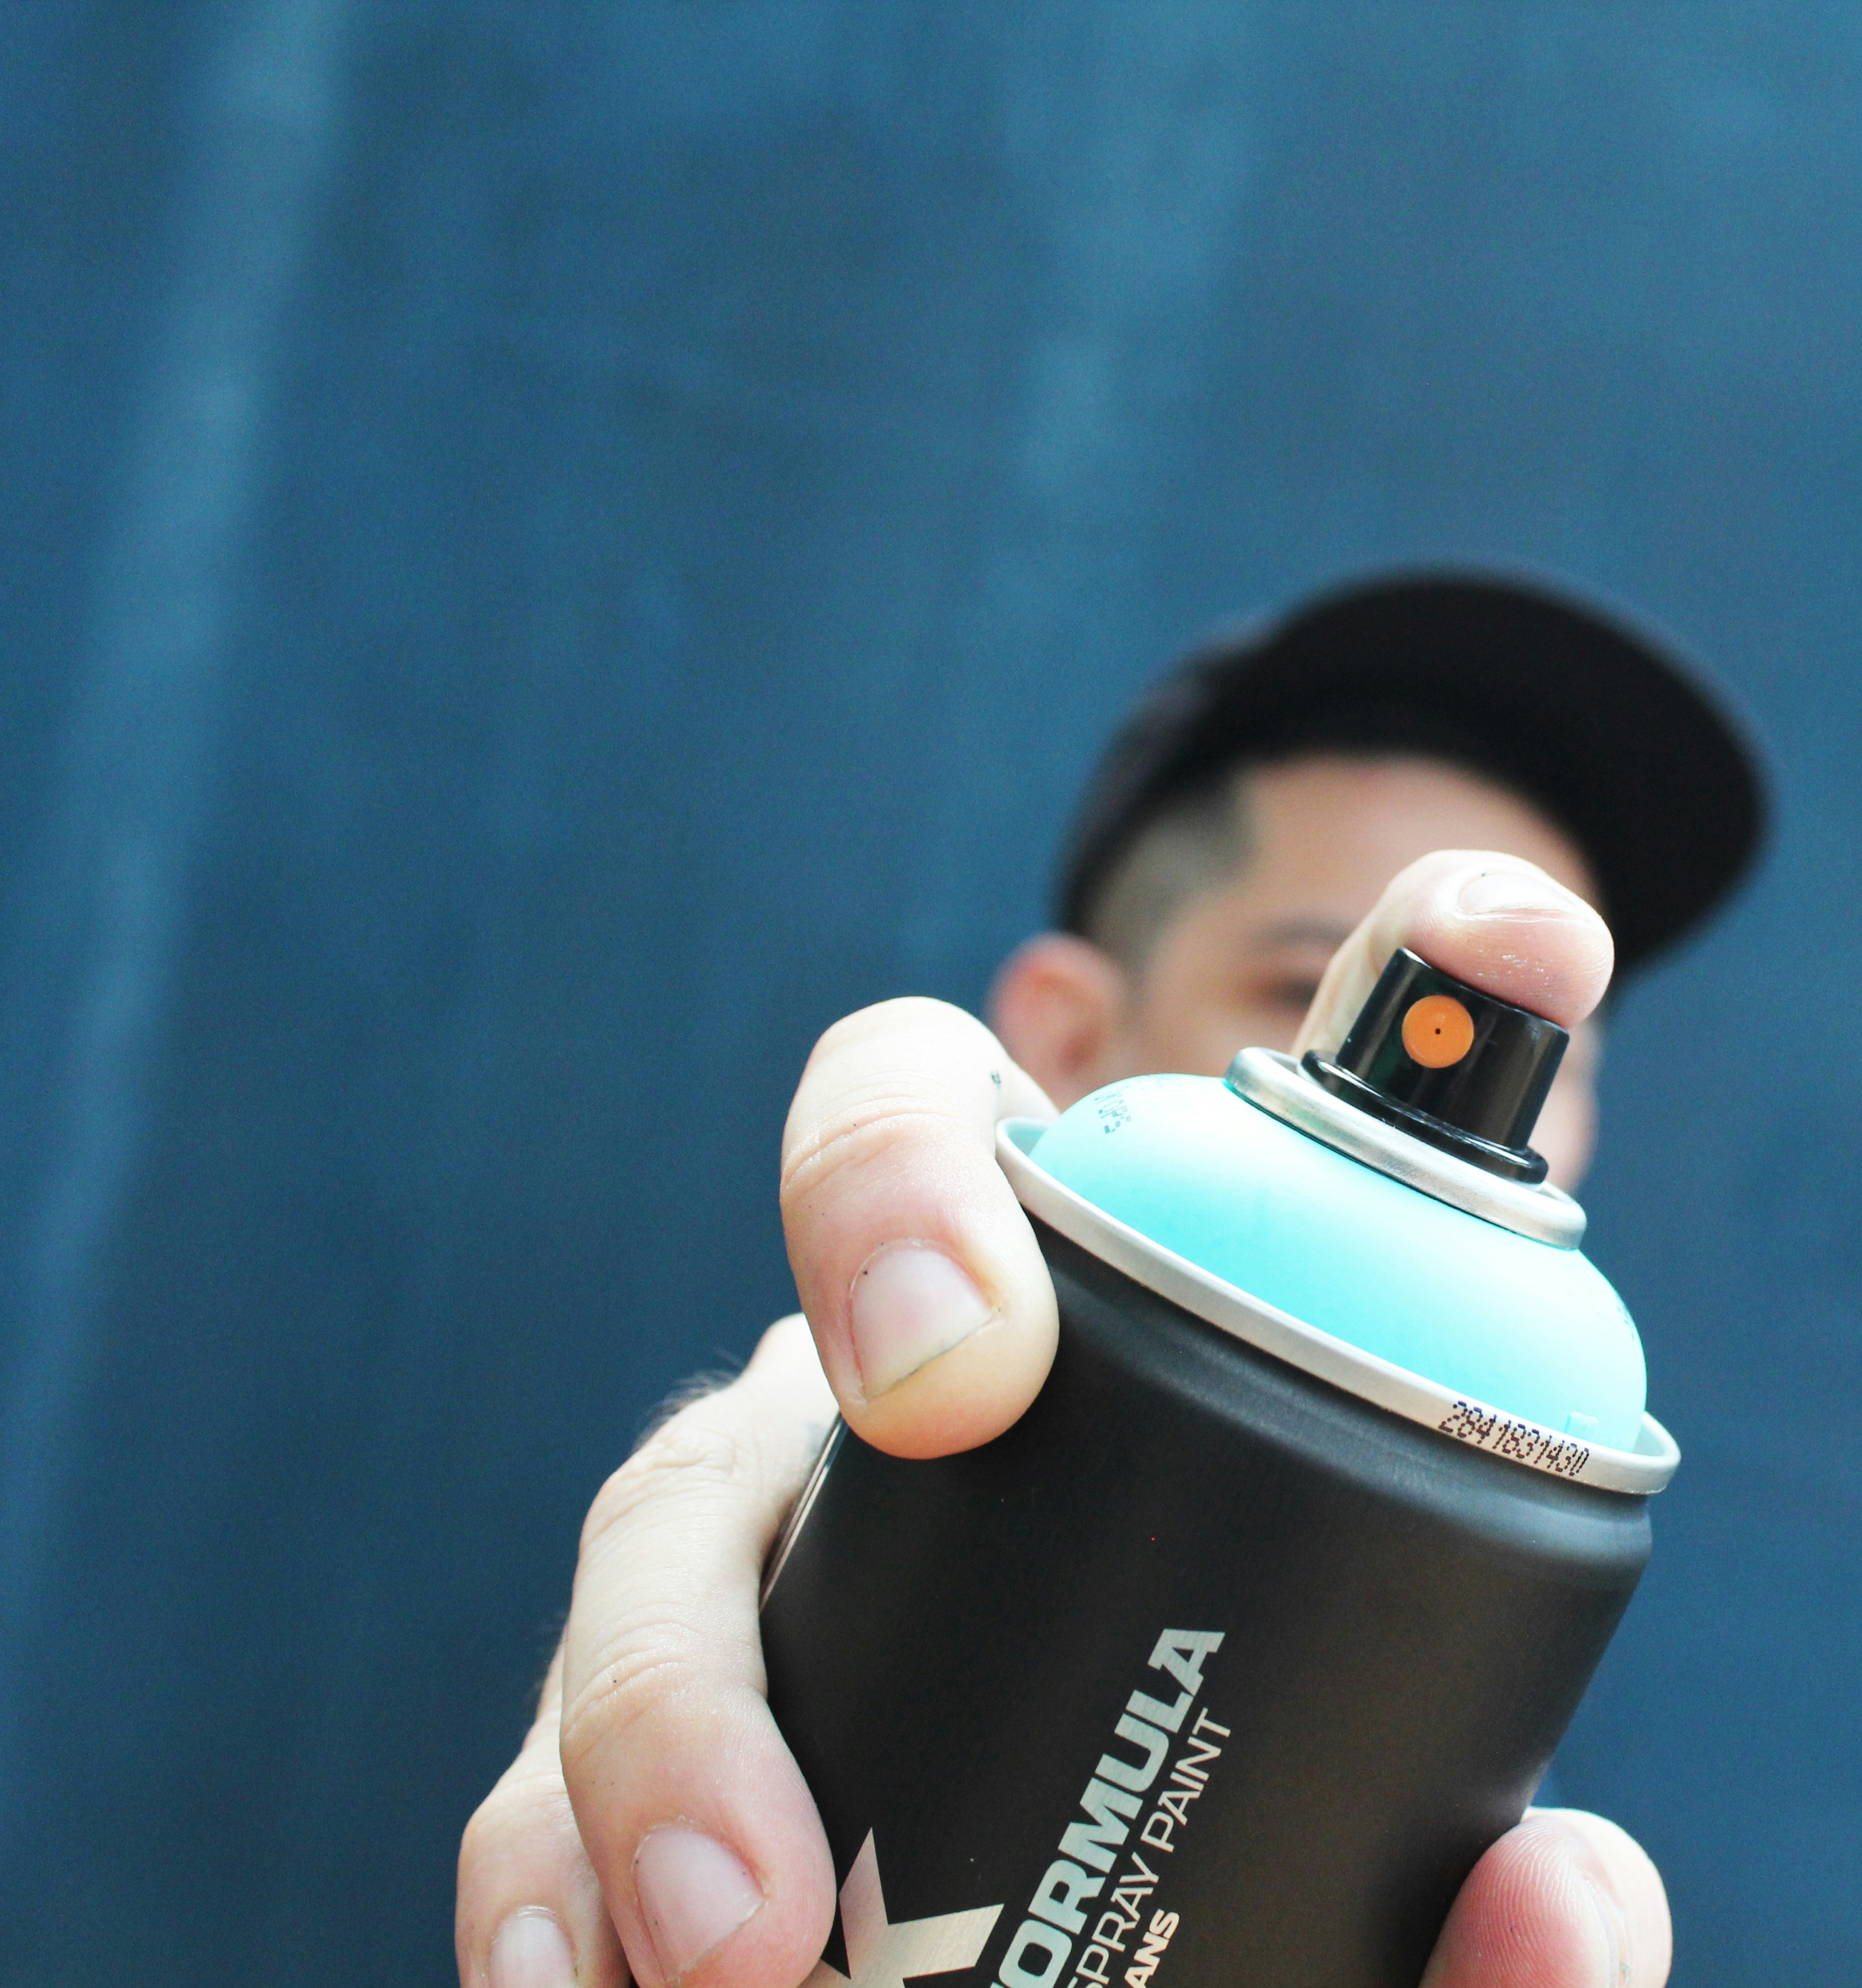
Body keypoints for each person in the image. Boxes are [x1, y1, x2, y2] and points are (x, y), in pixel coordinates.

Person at [453, 574, 1765, 1988]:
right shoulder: (870, 1445)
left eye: (1561, 1062)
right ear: (1067, 1041)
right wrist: (825, 1498)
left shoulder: (1495, 1722)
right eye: (1296, 983)